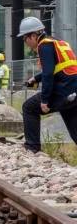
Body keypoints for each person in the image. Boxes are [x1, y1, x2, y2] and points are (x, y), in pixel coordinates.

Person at [19, 16, 77, 153]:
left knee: (29, 107)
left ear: (33, 35)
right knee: (75, 128)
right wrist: (36, 79)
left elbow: (49, 73)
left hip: (64, 90)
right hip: (73, 89)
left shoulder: (43, 45)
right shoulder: (58, 42)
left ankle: (32, 148)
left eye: (24, 38)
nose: (25, 42)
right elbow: (61, 67)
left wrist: (45, 100)